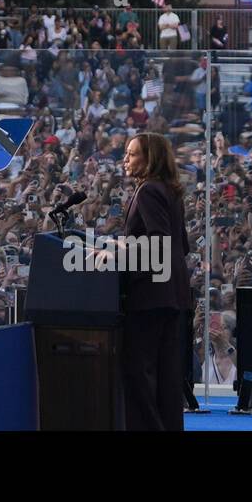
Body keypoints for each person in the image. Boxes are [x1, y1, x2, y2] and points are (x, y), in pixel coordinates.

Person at [107, 132, 190, 430]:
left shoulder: (148, 191)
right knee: (166, 376)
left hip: (150, 296)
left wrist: (116, 249)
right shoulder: (168, 190)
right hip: (171, 295)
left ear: (150, 158)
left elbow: (160, 242)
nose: (125, 159)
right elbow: (183, 245)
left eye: (131, 153)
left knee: (138, 373)